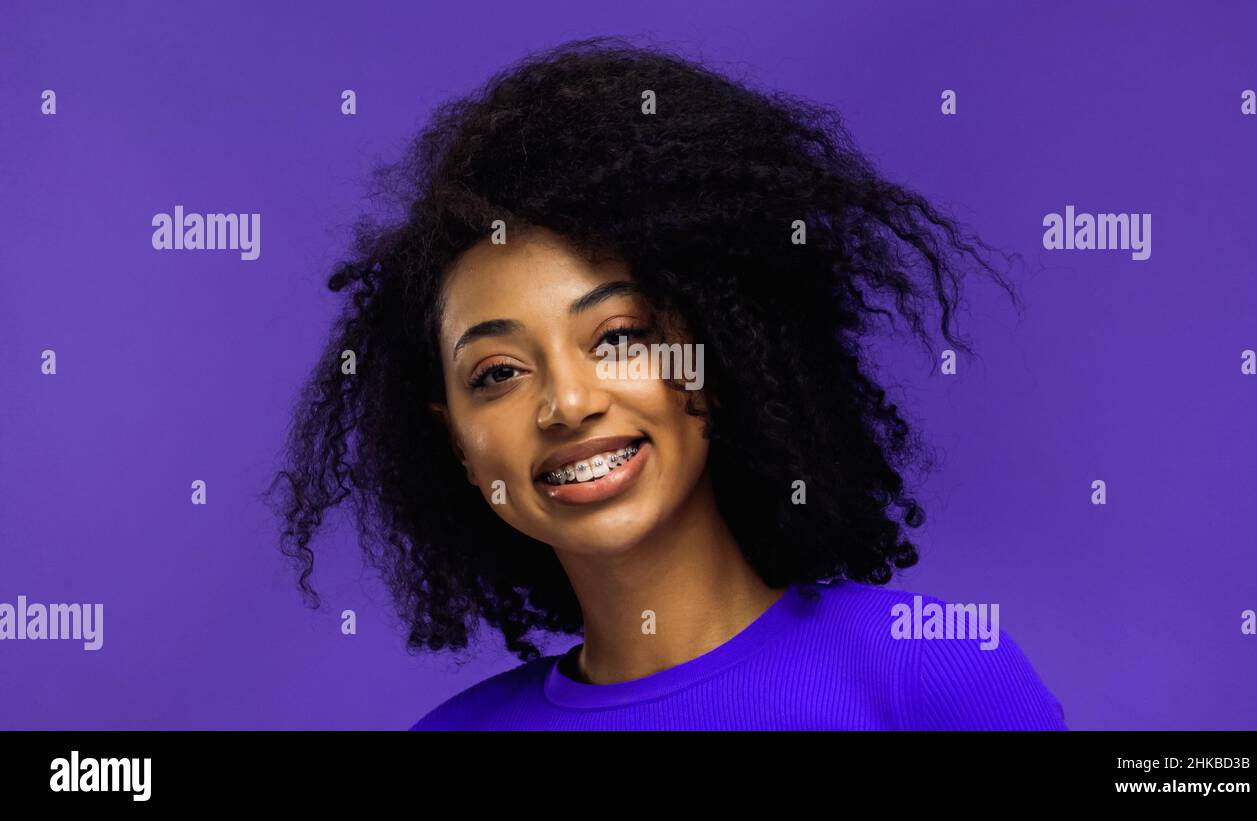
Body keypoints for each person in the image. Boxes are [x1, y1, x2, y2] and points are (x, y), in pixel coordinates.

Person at [268, 36, 1066, 731]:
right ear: (460, 445)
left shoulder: (932, 668)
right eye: (499, 372)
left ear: (716, 359)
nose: (569, 403)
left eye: (617, 337)